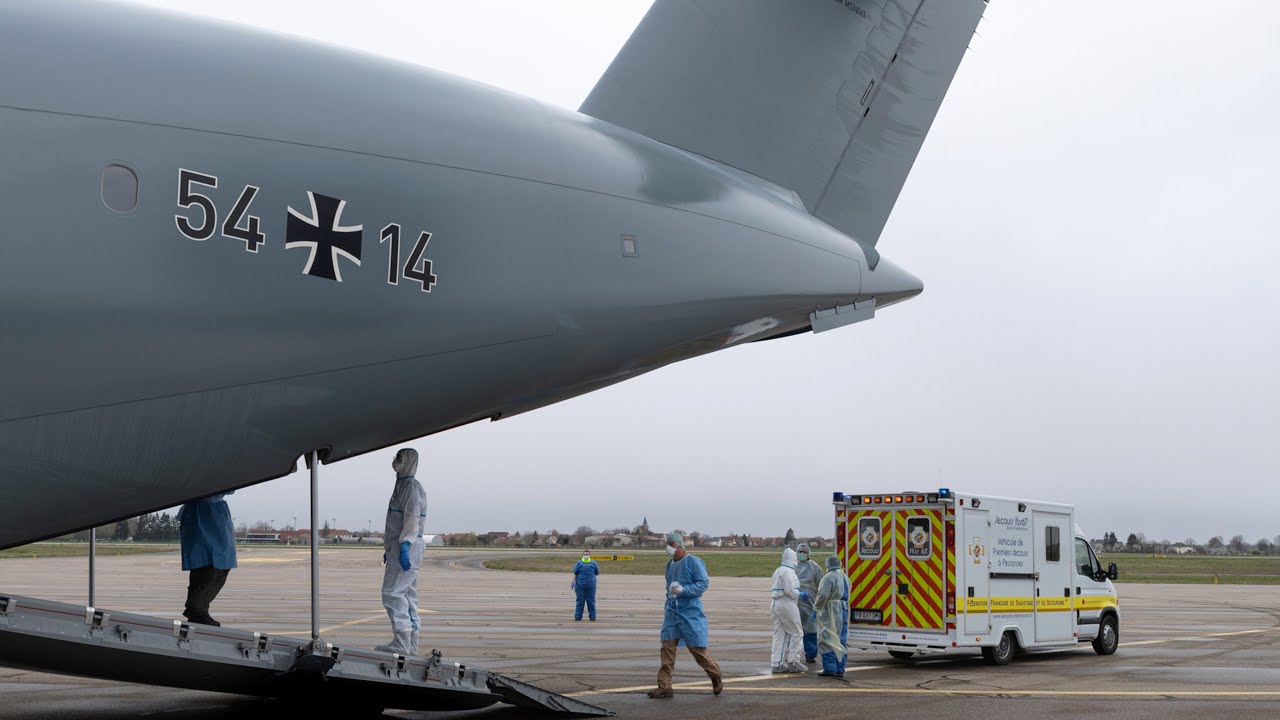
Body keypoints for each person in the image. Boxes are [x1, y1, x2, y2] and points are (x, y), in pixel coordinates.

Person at [647, 532, 723, 699]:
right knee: (667, 647)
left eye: (671, 545)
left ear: (680, 545)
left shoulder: (693, 562)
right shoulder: (670, 565)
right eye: (667, 545)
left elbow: (703, 583)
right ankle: (664, 686)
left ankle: (715, 675)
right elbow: (669, 586)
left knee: (696, 649)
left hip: (690, 612)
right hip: (672, 612)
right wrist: (671, 596)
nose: (668, 548)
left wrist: (684, 590)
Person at [376, 448, 427, 655]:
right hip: (400, 547)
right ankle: (410, 644)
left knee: (393, 593)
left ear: (408, 461)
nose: (395, 461)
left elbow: (412, 519)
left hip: (406, 547)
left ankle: (402, 643)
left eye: (399, 458)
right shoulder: (402, 485)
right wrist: (390, 548)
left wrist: (405, 545)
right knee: (407, 595)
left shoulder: (411, 487)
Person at [178, 491, 236, 627]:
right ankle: (197, 609)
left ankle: (199, 609)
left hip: (213, 511)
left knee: (218, 563)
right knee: (208, 565)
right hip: (205, 513)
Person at [770, 547, 806, 673]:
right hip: (786, 604)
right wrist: (800, 595)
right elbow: (789, 591)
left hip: (775, 603)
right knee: (797, 632)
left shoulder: (778, 570)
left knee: (780, 633)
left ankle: (776, 663)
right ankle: (793, 661)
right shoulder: (788, 572)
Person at [815, 554, 851, 678]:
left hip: (831, 610)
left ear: (828, 565)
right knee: (841, 639)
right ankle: (840, 668)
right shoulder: (845, 577)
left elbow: (823, 596)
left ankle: (830, 669)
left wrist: (816, 608)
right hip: (844, 609)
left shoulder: (828, 578)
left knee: (827, 639)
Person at [794, 542, 824, 663]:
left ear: (809, 554)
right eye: (800, 552)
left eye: (804, 552)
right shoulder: (792, 567)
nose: (802, 554)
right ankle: (793, 655)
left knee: (810, 630)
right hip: (795, 603)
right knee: (794, 631)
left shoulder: (814, 567)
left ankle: (810, 655)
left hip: (810, 604)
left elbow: (821, 585)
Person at [571, 549, 600, 621]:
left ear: (590, 555)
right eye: (585, 554)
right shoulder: (579, 563)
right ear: (582, 555)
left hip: (591, 585)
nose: (586, 555)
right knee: (580, 600)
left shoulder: (593, 563)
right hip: (580, 585)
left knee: (591, 601)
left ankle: (592, 616)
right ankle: (578, 616)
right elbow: (575, 573)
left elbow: (596, 572)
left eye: (587, 554)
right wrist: (572, 581)